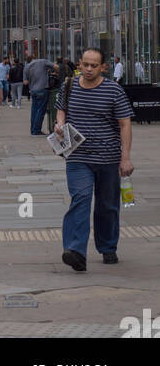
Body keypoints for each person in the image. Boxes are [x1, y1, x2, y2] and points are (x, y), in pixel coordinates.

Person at [56, 47, 135, 272]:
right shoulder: (68, 85)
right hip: (77, 155)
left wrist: (125, 158)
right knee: (80, 198)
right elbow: (61, 109)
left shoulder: (114, 90)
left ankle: (108, 246)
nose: (89, 69)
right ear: (79, 64)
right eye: (85, 64)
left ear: (103, 67)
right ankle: (75, 251)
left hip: (108, 157)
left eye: (94, 66)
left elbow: (124, 124)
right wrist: (59, 123)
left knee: (107, 205)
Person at [24, 53, 54, 135]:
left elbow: (25, 82)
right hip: (42, 89)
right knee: (40, 110)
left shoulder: (26, 67)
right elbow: (56, 67)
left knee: (34, 110)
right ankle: (36, 130)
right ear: (35, 57)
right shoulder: (42, 61)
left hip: (33, 90)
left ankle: (33, 129)